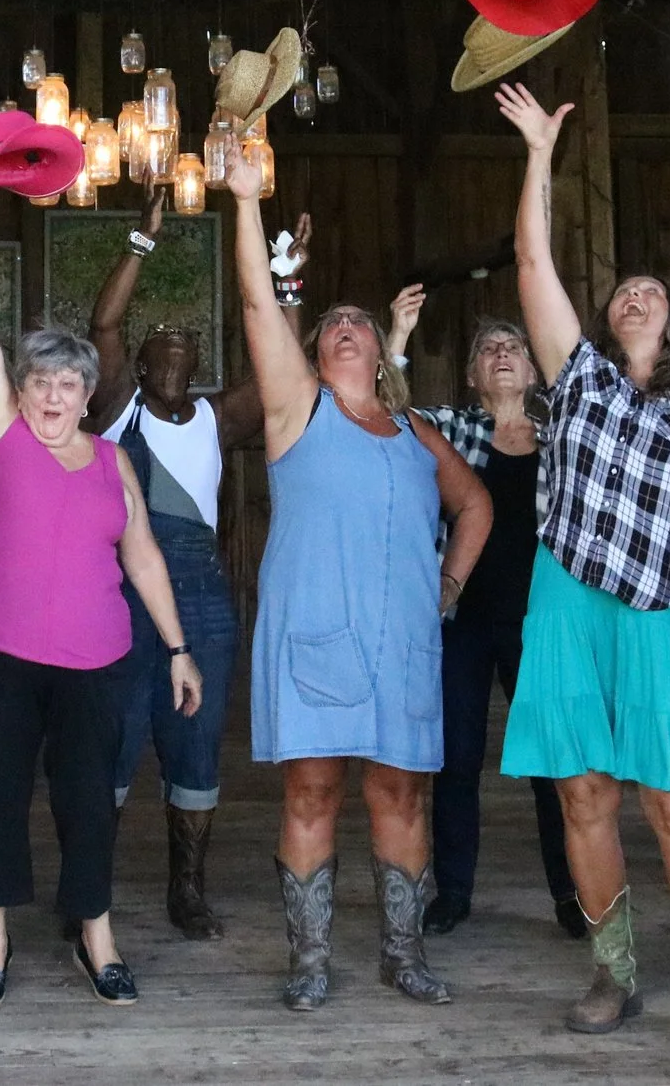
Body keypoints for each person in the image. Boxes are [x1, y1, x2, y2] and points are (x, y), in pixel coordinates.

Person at [491, 83, 670, 1054]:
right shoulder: (584, 379)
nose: (630, 294)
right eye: (620, 291)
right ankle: (613, 968)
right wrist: (536, 152)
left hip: (667, 611)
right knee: (583, 794)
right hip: (565, 599)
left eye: (649, 291)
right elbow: (532, 260)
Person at [229, 148, 492, 1012]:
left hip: (406, 635)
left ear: (382, 347)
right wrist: (243, 203)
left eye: (360, 320)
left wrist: (449, 585)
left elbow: (478, 506)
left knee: (400, 789)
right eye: (332, 320)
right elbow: (260, 304)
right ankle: (308, 959)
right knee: (312, 787)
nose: (345, 324)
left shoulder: (417, 429)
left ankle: (401, 951)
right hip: (316, 630)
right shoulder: (295, 410)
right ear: (316, 348)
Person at [0, 178, 202, 1008]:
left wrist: (177, 646)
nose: (54, 397)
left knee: (89, 802)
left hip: (97, 659)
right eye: (40, 382)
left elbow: (145, 561)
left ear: (88, 394)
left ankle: (98, 936)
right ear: (20, 389)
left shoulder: (110, 460)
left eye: (69, 386)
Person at [83, 187, 283, 941]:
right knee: (114, 733)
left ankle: (187, 886)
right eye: (158, 355)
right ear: (135, 365)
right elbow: (103, 320)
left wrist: (285, 283)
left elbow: (275, 374)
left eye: (185, 355)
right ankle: (89, 884)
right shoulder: (117, 407)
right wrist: (143, 239)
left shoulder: (213, 417)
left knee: (196, 738)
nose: (173, 362)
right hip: (121, 588)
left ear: (198, 366)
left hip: (201, 590)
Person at [383, 293, 584, 941]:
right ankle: (454, 892)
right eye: (489, 349)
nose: (502, 355)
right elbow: (387, 412)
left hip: (543, 621)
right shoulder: (452, 429)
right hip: (462, 617)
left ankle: (570, 890)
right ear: (472, 375)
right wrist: (398, 335)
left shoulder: (563, 439)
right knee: (457, 758)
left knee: (555, 762)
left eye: (514, 347)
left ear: (534, 370)